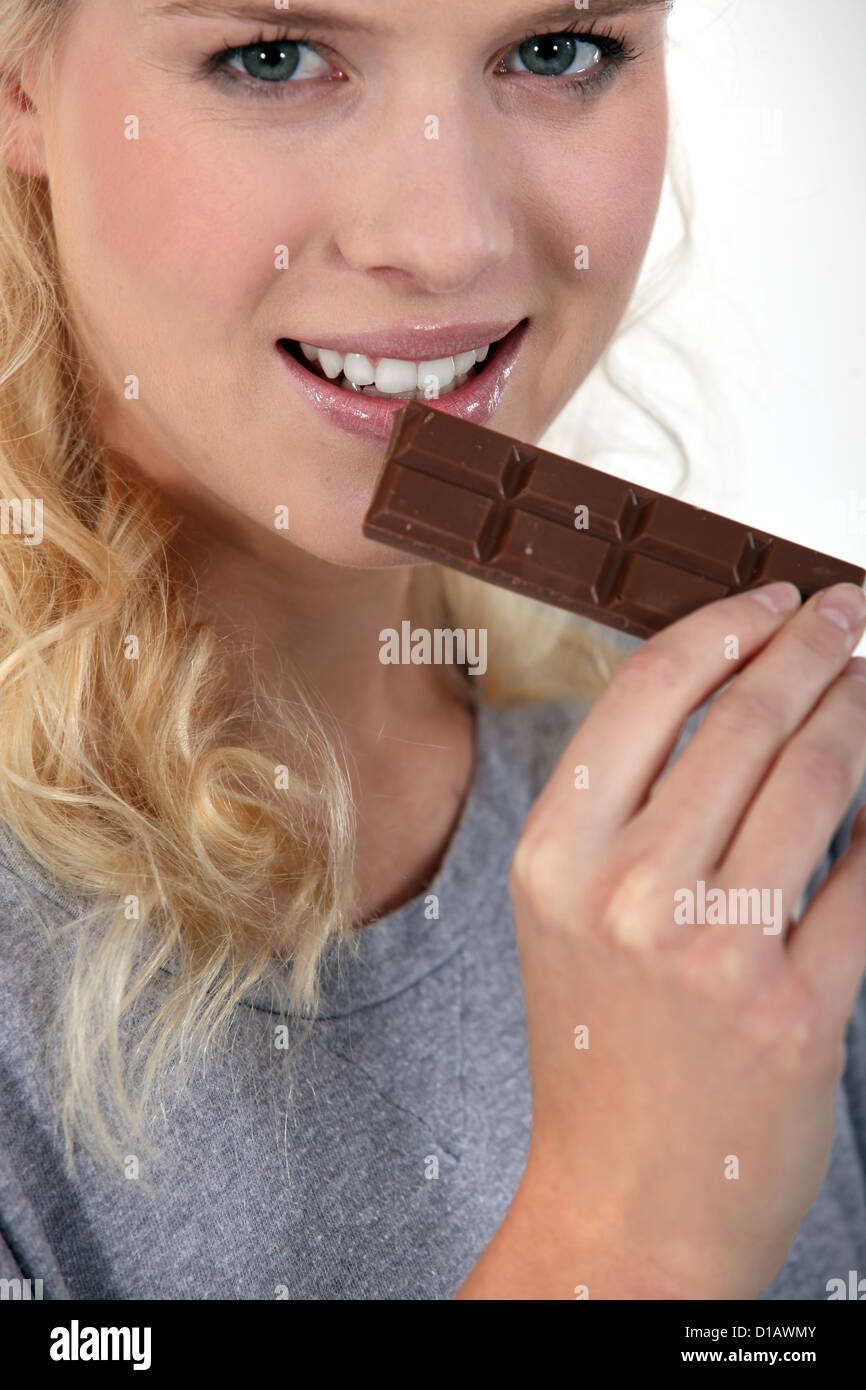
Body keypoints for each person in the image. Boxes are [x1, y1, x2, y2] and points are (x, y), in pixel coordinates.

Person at [0, 0, 864, 1301]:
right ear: (18, 83)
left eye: (556, 49)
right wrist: (627, 1246)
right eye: (273, 57)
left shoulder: (767, 784)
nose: (445, 238)